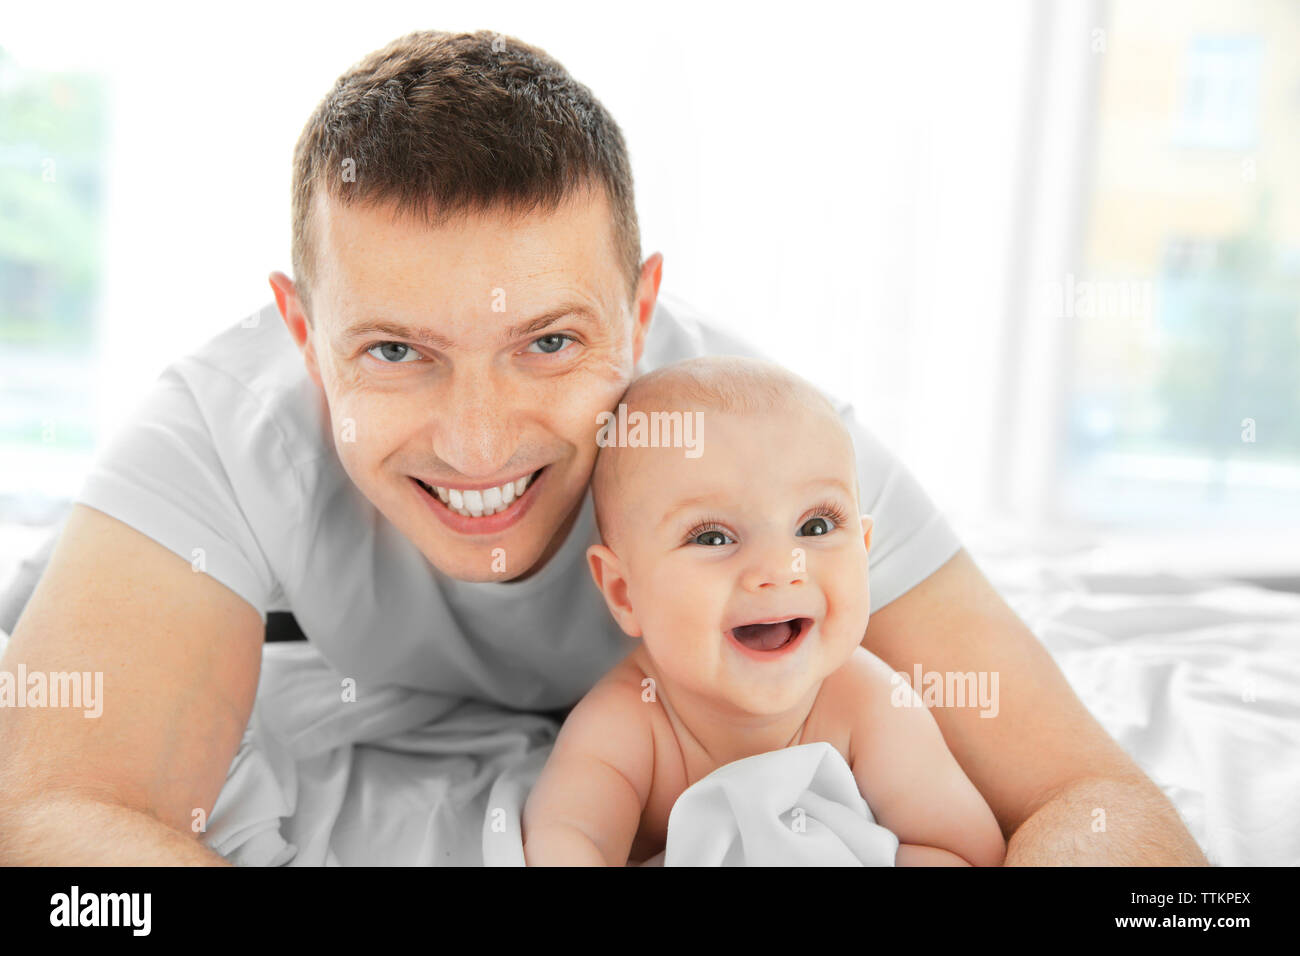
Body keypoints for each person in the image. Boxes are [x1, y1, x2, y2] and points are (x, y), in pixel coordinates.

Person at [0, 29, 1205, 866]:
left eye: (547, 341)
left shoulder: (769, 452)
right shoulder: (217, 425)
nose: (478, 443)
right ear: (301, 330)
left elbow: (1092, 799)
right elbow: (56, 814)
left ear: (641, 311)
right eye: (394, 352)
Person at [522, 356, 1007, 866]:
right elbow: (567, 839)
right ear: (624, 593)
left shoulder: (870, 704)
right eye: (713, 536)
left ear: (864, 551)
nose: (780, 568)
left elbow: (965, 850)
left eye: (815, 527)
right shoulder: (629, 719)